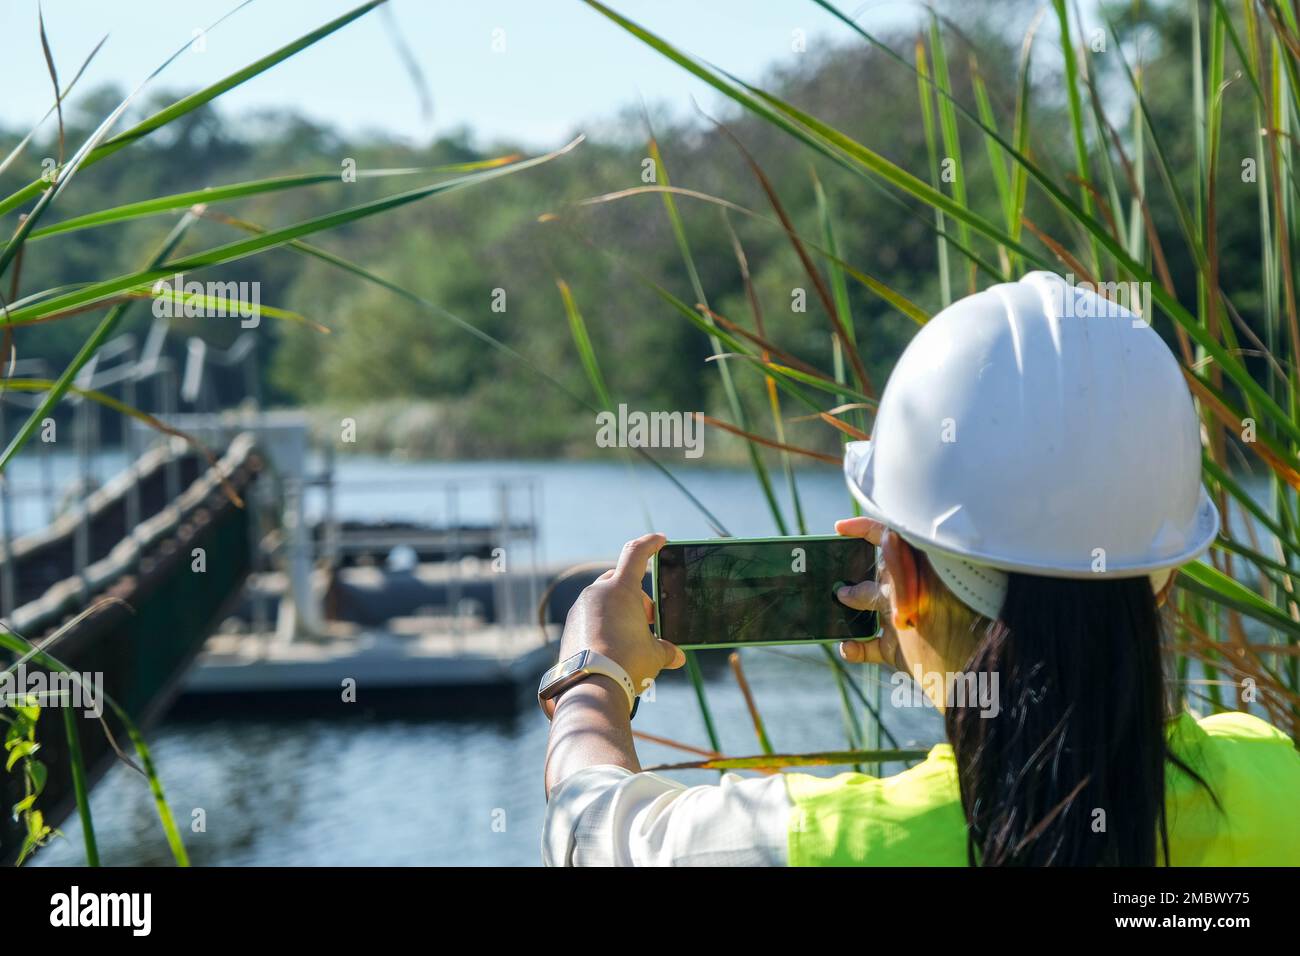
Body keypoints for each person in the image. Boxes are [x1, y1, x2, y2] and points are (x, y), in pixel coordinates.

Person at [540, 272, 1300, 866]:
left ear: (898, 572)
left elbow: (590, 831)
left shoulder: (826, 845)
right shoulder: (1274, 781)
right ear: (1166, 572)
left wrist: (591, 673)